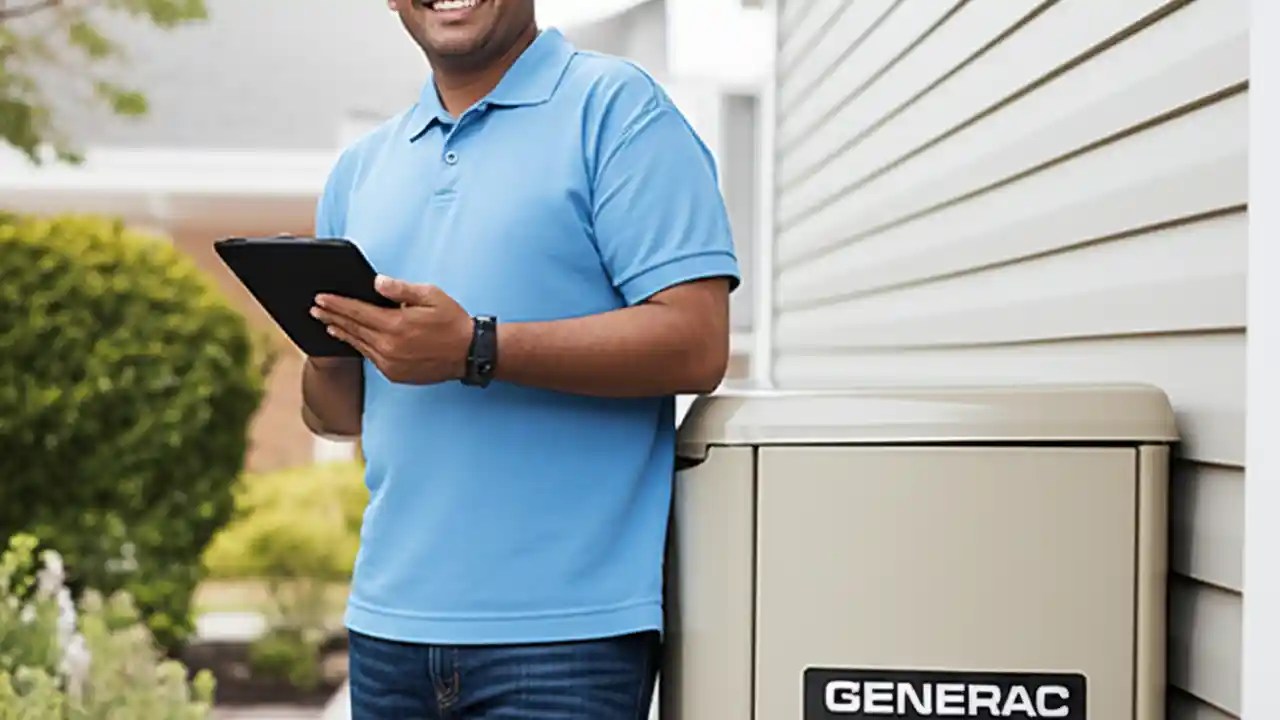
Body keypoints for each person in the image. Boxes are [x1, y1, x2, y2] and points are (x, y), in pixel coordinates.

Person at [303, 0, 739, 716]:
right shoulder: (361, 168)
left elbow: (695, 342)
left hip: (565, 642)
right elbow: (335, 416)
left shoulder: (617, 110)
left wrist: (478, 347)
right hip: (388, 632)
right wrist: (326, 345)